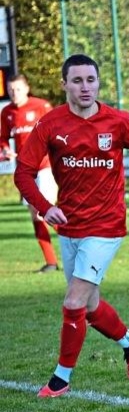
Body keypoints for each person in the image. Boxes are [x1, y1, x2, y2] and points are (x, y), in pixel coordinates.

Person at [14, 54, 129, 399]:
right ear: (64, 84)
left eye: (91, 80)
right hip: (69, 226)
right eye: (77, 80)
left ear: (99, 83)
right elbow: (23, 172)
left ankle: (61, 378)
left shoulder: (119, 121)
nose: (85, 87)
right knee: (90, 305)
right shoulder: (51, 124)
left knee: (73, 299)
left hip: (106, 226)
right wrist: (45, 207)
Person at [1, 73, 58, 272]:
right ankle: (51, 262)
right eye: (10, 90)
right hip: (26, 170)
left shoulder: (41, 106)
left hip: (45, 166)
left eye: (17, 89)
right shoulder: (7, 112)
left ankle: (78, 244)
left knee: (44, 211)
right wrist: (6, 150)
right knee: (36, 214)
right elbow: (3, 138)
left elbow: (57, 130)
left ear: (26, 89)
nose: (14, 93)